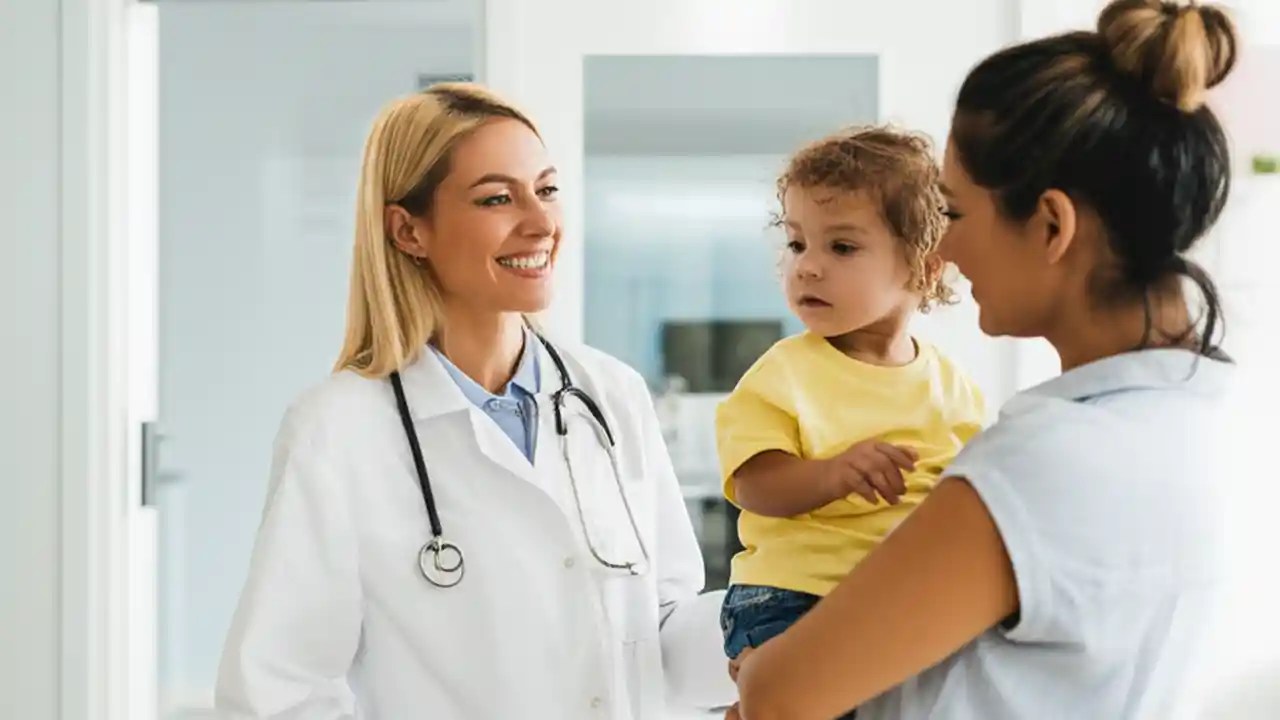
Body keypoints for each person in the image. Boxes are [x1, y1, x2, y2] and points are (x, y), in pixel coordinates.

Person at [728, 0, 1239, 718]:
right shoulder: (1210, 423)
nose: (944, 252)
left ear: (1052, 225)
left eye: (955, 214)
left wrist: (758, 682)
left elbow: (780, 697)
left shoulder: (1048, 460)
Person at [214, 83, 715, 719]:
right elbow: (279, 693)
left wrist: (782, 608)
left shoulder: (610, 396)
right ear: (407, 230)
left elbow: (664, 635)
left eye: (548, 189)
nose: (540, 222)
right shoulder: (338, 430)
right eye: (497, 198)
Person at [715, 127, 986, 719]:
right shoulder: (782, 373)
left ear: (925, 269)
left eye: (840, 248)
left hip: (897, 608)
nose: (807, 268)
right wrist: (833, 475)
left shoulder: (954, 389)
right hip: (791, 600)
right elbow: (757, 488)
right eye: (795, 244)